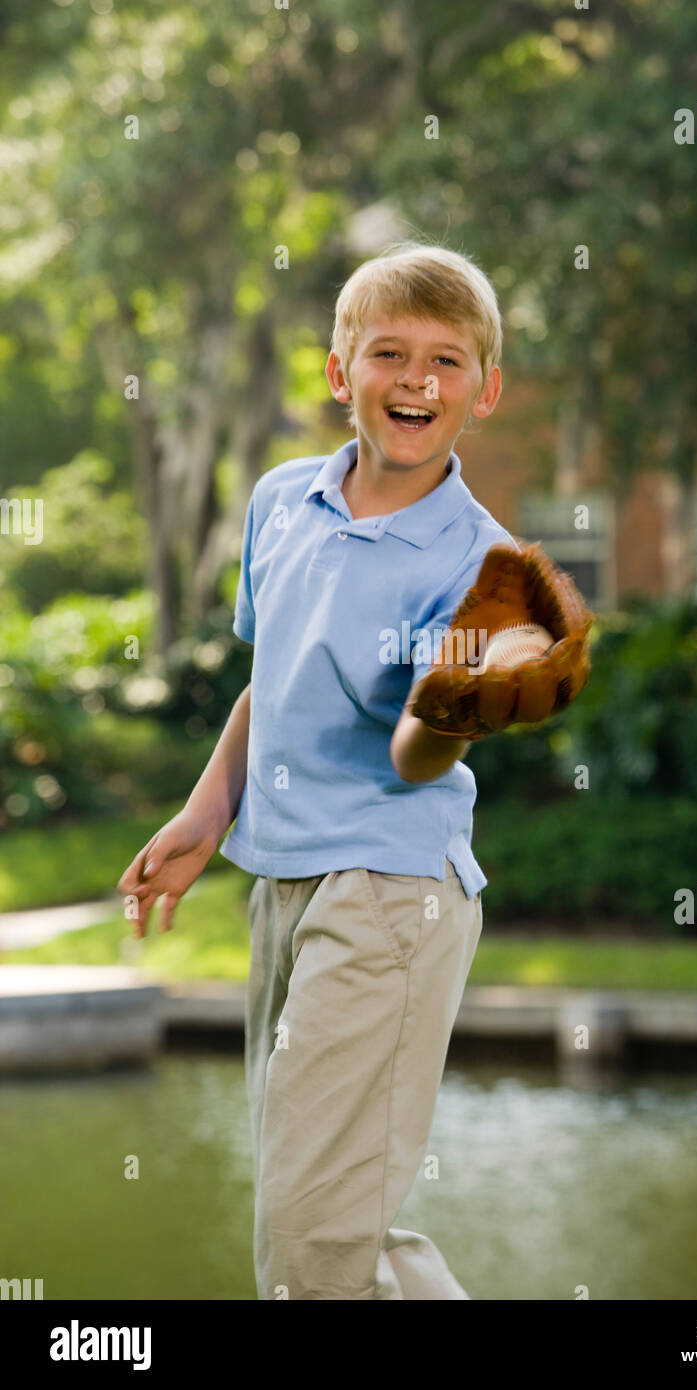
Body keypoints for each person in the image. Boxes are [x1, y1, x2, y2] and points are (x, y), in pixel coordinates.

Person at [117, 240, 519, 1299]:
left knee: (308, 1234)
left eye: (446, 360)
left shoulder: (483, 565)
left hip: (390, 890)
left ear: (483, 390)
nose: (416, 380)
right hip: (283, 882)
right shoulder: (280, 502)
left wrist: (450, 711)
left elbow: (415, 751)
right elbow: (274, 677)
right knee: (326, 1218)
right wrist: (209, 813)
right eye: (388, 353)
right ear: (340, 373)